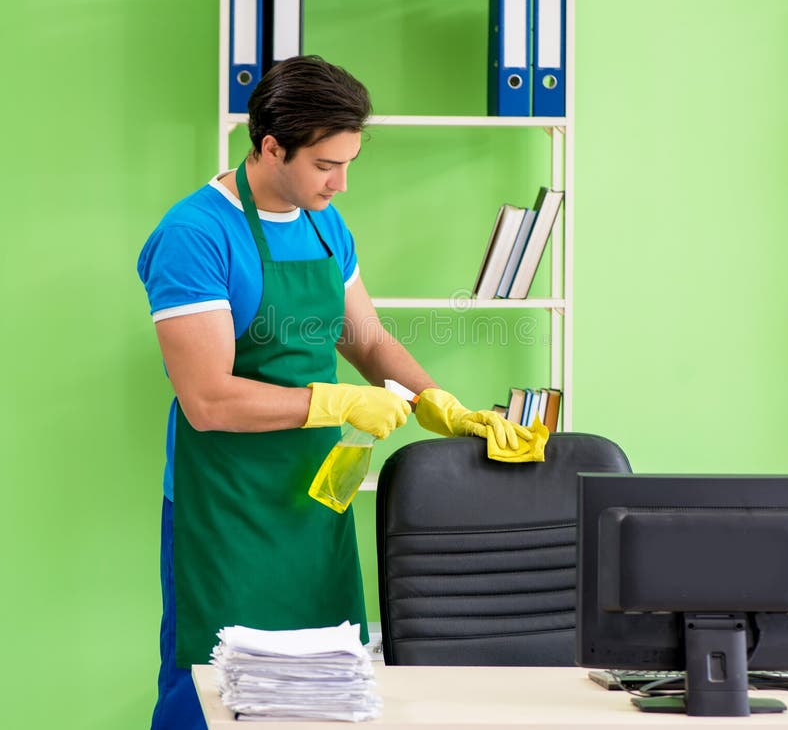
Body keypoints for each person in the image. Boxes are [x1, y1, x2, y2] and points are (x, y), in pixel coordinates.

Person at [137, 55, 534, 729]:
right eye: (326, 165)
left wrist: (445, 404)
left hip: (316, 498)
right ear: (270, 146)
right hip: (226, 507)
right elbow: (207, 399)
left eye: (349, 163)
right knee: (211, 685)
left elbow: (368, 341)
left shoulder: (324, 222)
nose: (342, 183)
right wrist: (338, 401)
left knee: (324, 688)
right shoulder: (195, 236)